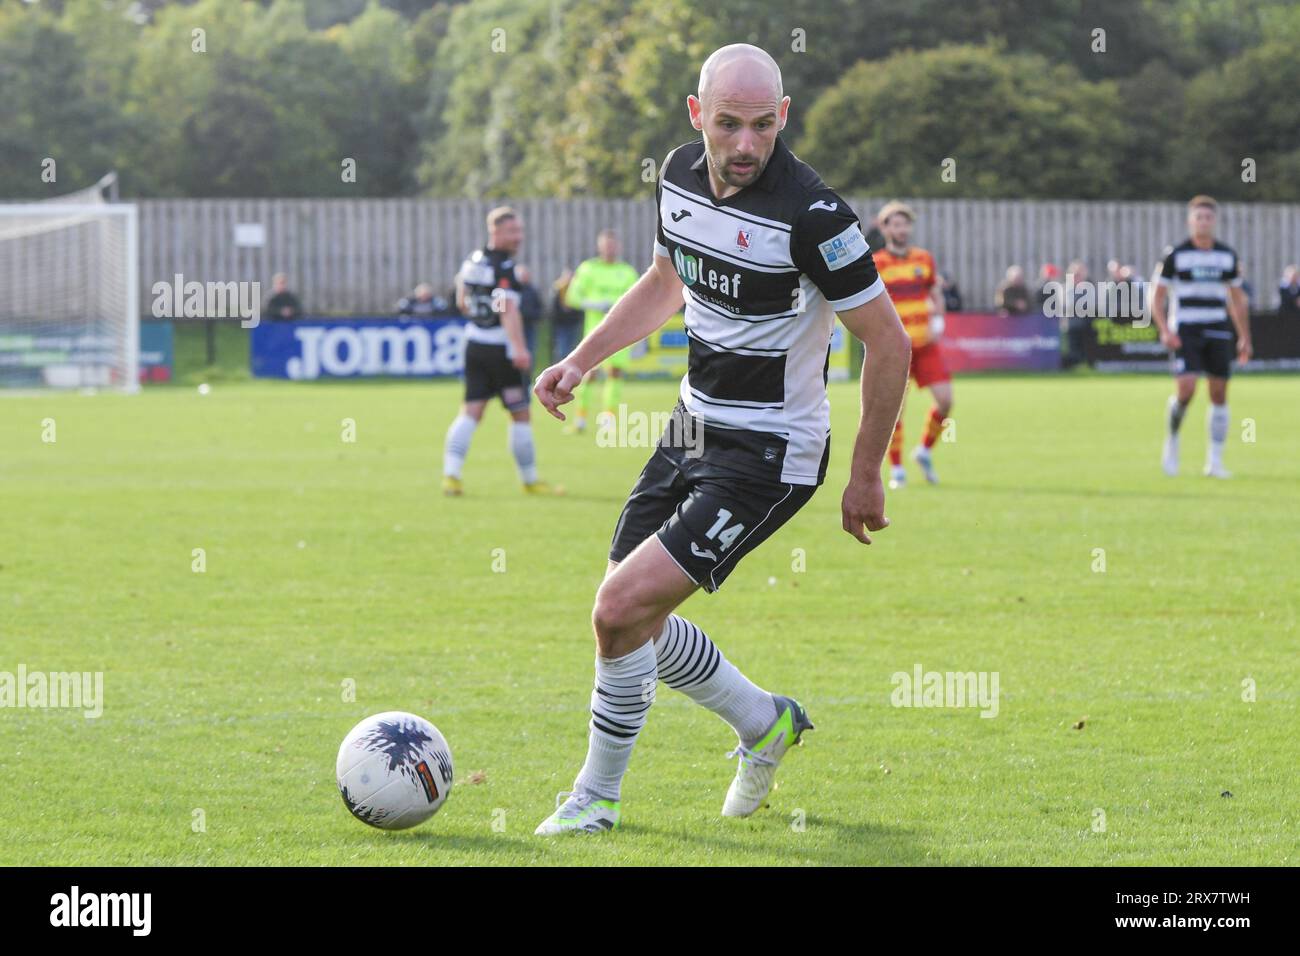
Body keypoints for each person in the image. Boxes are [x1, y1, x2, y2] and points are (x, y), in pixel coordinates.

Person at [531, 43, 910, 834]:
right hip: (692, 425)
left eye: (763, 126)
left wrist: (866, 473)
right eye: (729, 124)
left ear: (785, 117)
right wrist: (579, 360)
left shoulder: (816, 216)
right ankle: (764, 721)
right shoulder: (674, 175)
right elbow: (666, 281)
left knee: (620, 609)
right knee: (627, 622)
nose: (746, 145)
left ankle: (595, 800)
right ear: (698, 114)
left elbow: (889, 341)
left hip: (772, 452)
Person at [441, 206, 559, 497]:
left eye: (520, 230)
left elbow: (462, 301)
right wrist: (519, 348)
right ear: (495, 231)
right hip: (501, 350)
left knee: (471, 411)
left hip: (474, 343)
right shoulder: (505, 268)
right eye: (512, 231)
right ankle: (530, 479)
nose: (519, 237)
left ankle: (451, 475)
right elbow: (506, 308)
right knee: (520, 413)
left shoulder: (473, 260)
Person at [1151, 195, 1251, 479]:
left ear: (1214, 221)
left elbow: (1237, 300)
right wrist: (1164, 329)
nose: (1203, 222)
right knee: (1187, 389)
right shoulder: (1176, 255)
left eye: (1208, 217)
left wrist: (1244, 337)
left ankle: (1215, 462)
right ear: (1190, 221)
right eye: (1199, 217)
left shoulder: (1226, 256)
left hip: (1218, 328)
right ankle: (1172, 441)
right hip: (1186, 329)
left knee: (1219, 393)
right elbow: (1156, 296)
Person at [871, 201, 951, 488]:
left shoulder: (923, 259)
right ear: (885, 228)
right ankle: (897, 470)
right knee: (896, 410)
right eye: (895, 224)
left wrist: (938, 320)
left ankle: (925, 451)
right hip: (897, 349)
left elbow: (935, 292)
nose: (902, 229)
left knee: (945, 400)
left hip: (926, 343)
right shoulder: (877, 263)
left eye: (905, 224)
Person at [563, 231, 640, 432]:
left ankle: (608, 419)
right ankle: (580, 419)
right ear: (600, 247)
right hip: (595, 331)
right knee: (588, 374)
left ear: (618, 247)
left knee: (615, 374)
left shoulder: (627, 271)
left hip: (620, 332)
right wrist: (593, 304)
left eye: (612, 245)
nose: (609, 249)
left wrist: (617, 306)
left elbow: (638, 300)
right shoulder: (588, 269)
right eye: (606, 245)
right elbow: (572, 297)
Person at [549, 269, 584, 363]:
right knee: (562, 347)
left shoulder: (576, 289)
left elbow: (579, 305)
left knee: (572, 346)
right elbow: (554, 307)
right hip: (561, 323)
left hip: (573, 321)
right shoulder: (558, 288)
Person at [514, 263, 544, 374]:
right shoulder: (512, 290)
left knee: (529, 354)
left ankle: (527, 381)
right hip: (514, 328)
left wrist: (529, 315)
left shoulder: (532, 290)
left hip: (529, 327)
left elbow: (539, 309)